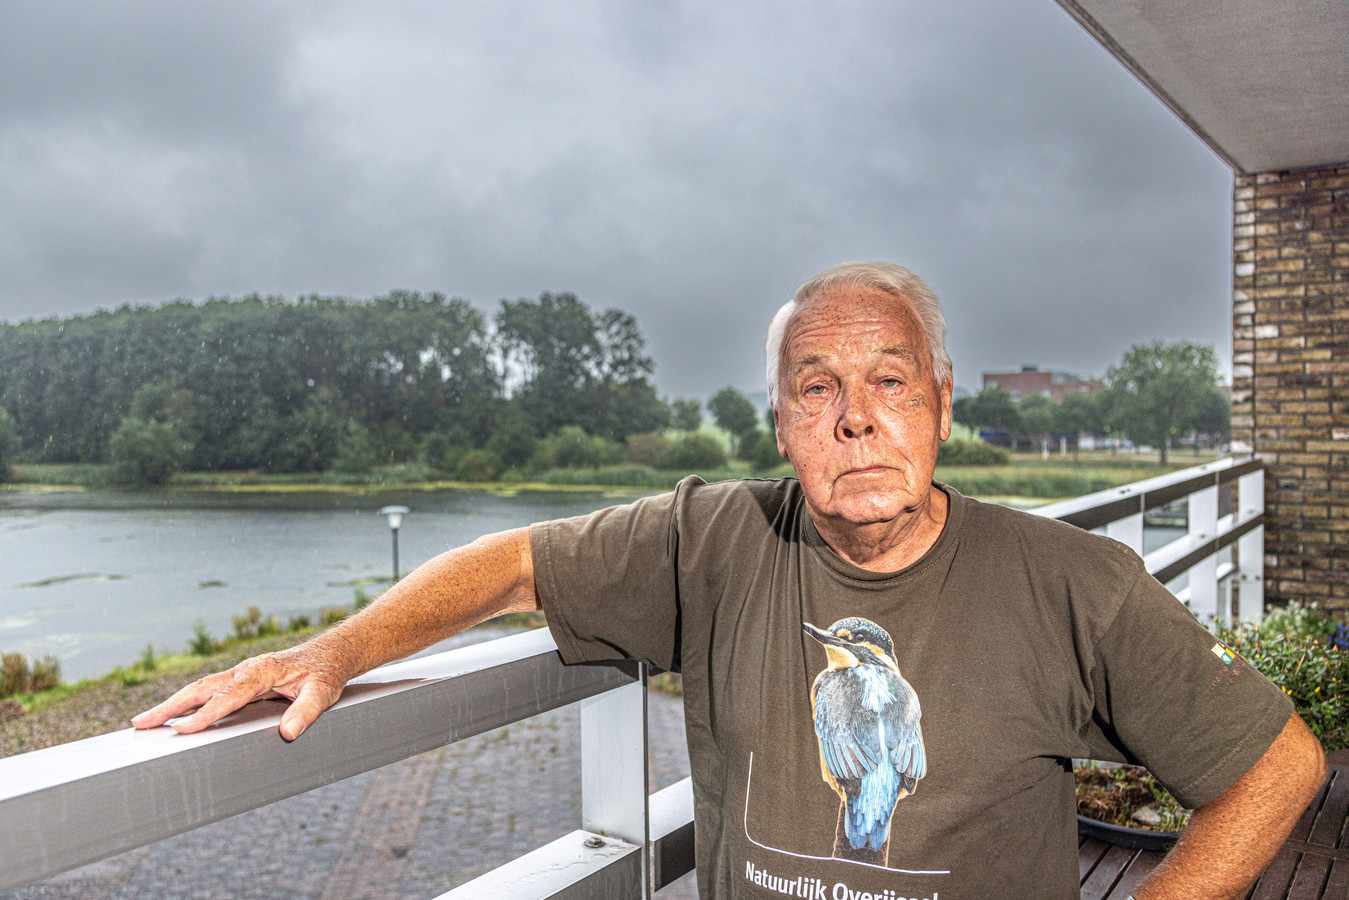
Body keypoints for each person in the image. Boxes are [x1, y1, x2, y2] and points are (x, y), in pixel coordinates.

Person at [135, 261, 1327, 899]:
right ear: (780, 424)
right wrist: (334, 654)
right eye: (817, 390)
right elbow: (507, 565)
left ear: (943, 407)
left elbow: (1277, 766)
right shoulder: (713, 541)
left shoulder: (1073, 583)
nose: (855, 420)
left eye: (890, 383)